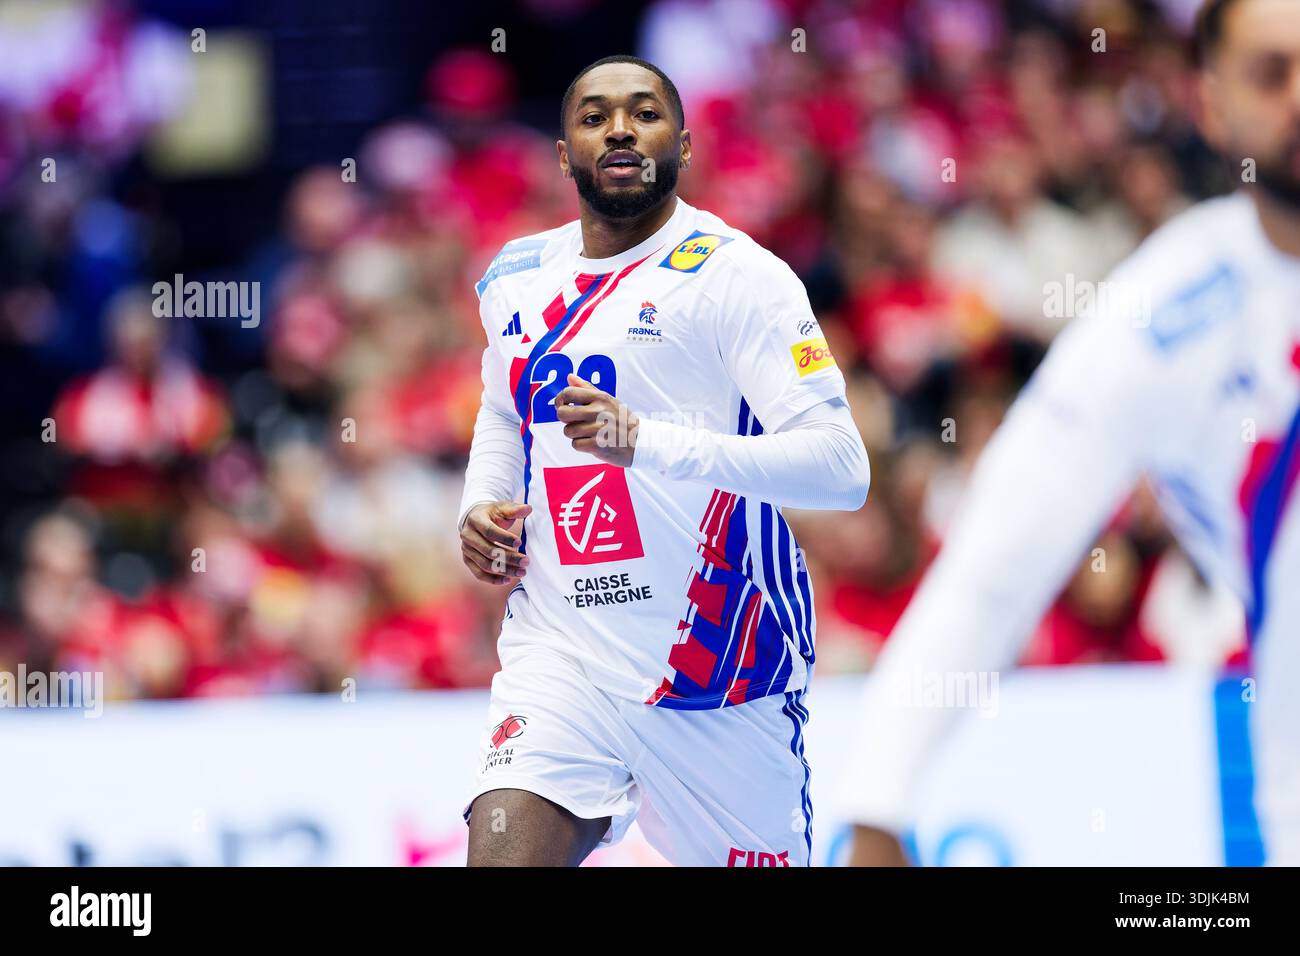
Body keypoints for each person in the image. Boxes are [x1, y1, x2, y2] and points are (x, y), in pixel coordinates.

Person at [843, 0, 1300, 866]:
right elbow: (991, 573)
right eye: (1271, 71)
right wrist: (877, 806)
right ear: (1209, 101)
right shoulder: (1161, 320)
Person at [457, 55, 871, 866]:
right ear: (563, 151)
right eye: (595, 115)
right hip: (562, 654)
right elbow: (505, 408)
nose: (619, 128)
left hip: (719, 668)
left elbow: (841, 468)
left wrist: (645, 442)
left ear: (682, 145)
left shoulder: (739, 277)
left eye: (644, 113)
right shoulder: (514, 277)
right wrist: (482, 501)